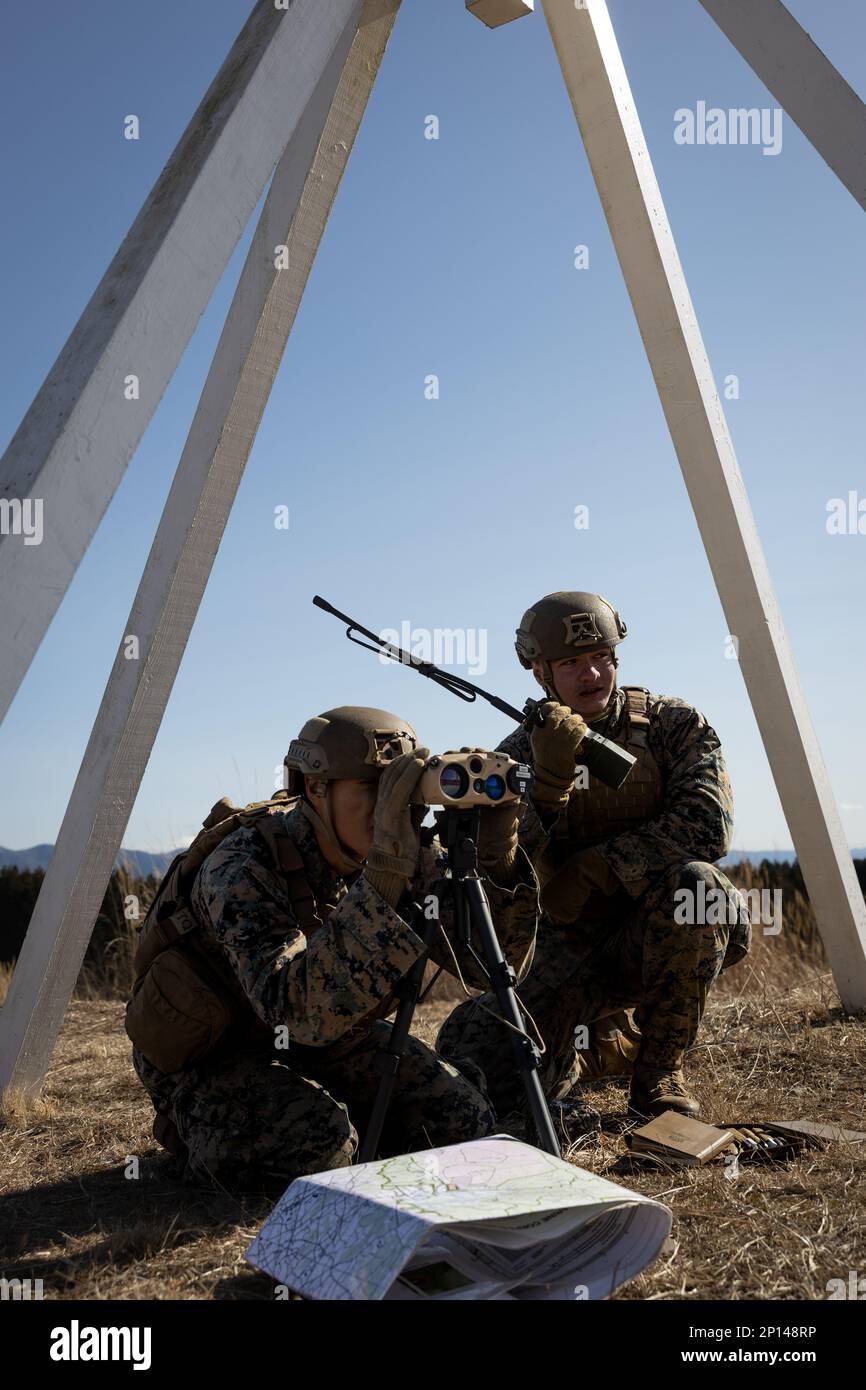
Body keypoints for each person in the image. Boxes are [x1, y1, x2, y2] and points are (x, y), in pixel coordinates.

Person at [126, 706, 539, 1191]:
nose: (395, 808)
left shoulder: (404, 848)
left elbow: (495, 966)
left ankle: (352, 1125)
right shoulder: (242, 865)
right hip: (217, 1053)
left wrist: (497, 855)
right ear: (316, 789)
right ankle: (195, 1134)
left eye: (404, 790)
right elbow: (294, 1014)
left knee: (461, 1121)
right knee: (319, 1144)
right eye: (373, 790)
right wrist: (384, 878)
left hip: (328, 1041)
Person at [437, 592, 751, 1120]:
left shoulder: (673, 725)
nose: (592, 674)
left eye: (602, 657)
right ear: (540, 673)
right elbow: (499, 871)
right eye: (571, 663)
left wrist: (600, 867)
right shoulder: (514, 756)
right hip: (564, 949)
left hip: (658, 936)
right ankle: (597, 1046)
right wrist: (545, 787)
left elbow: (708, 824)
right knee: (472, 1060)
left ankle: (658, 1075)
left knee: (701, 889)